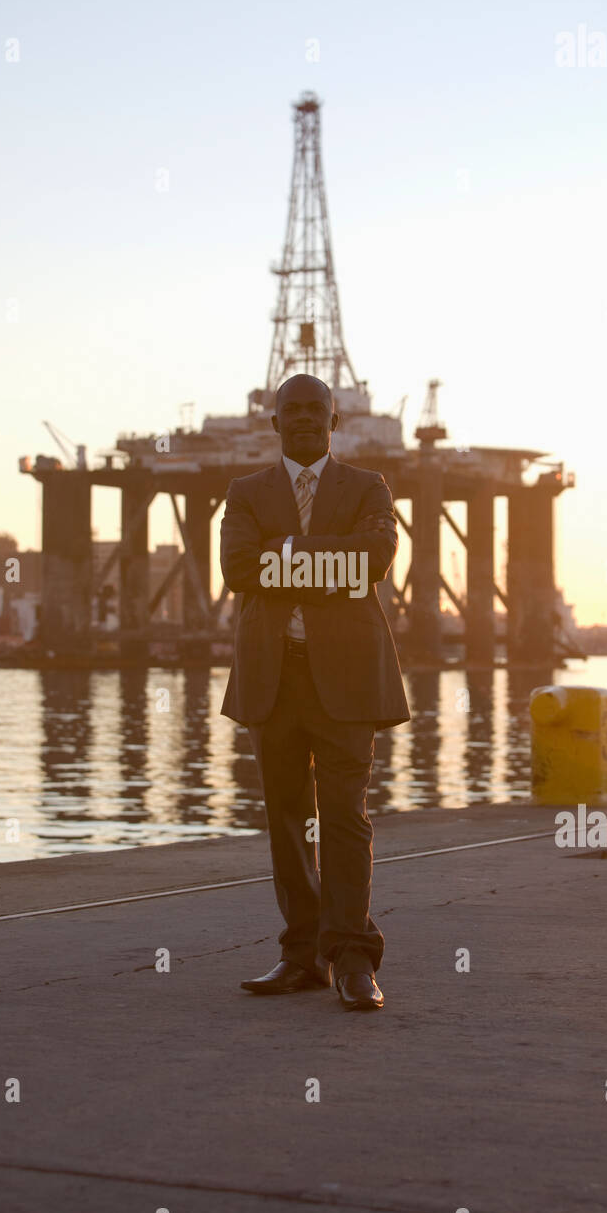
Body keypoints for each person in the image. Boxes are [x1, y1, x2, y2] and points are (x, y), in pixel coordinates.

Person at [219, 373, 410, 1010]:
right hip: (273, 677)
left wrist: (286, 554)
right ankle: (300, 956)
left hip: (347, 678)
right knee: (288, 820)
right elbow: (238, 567)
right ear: (273, 422)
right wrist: (331, 561)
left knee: (346, 818)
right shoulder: (244, 492)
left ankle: (354, 957)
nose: (303, 418)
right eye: (290, 409)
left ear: (335, 422)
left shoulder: (369, 487)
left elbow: (374, 560)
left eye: (315, 410)